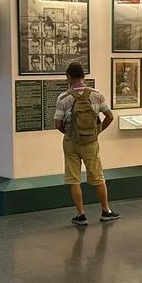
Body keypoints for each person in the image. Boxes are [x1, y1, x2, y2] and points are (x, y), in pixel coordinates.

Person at [53, 61, 119, 226]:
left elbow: (58, 124)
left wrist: (70, 133)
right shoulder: (97, 94)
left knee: (74, 178)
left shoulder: (63, 97)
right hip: (91, 142)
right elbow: (109, 117)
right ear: (83, 76)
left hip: (71, 142)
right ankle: (106, 211)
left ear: (69, 77)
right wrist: (96, 132)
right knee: (98, 176)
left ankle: (81, 214)